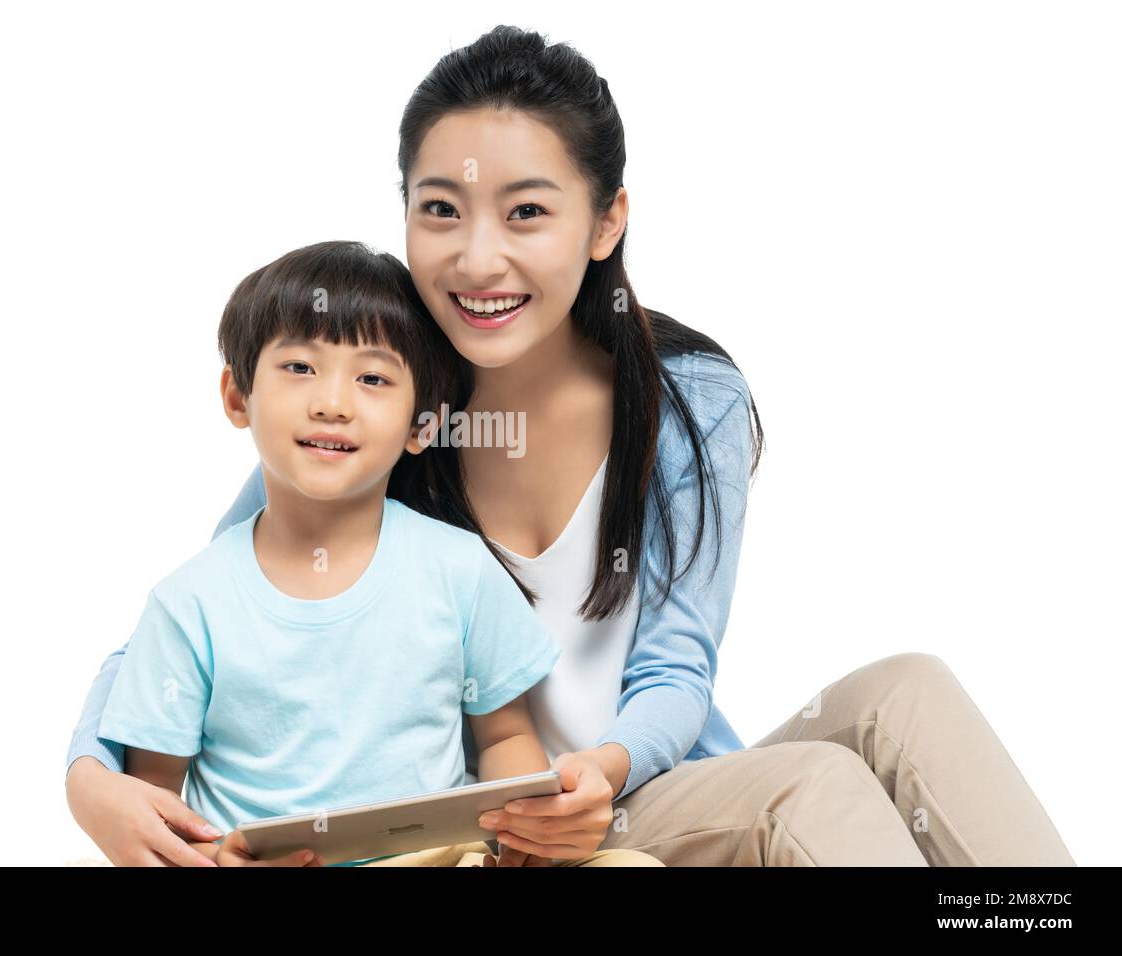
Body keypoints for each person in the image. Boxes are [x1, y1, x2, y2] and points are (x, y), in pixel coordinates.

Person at [67, 25, 1074, 867]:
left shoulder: (689, 398)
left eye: (528, 213)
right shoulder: (382, 412)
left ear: (605, 224)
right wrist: (89, 786)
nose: (477, 257)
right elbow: (211, 599)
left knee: (907, 689)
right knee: (814, 785)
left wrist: (607, 769)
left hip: (636, 790)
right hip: (496, 830)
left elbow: (677, 668)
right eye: (441, 212)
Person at [94, 239, 662, 868]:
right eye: (299, 368)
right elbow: (154, 797)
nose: (332, 403)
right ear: (237, 396)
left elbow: (505, 735)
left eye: (371, 378)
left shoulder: (458, 568)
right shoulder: (189, 602)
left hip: (440, 858)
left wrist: (524, 836)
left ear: (423, 426)